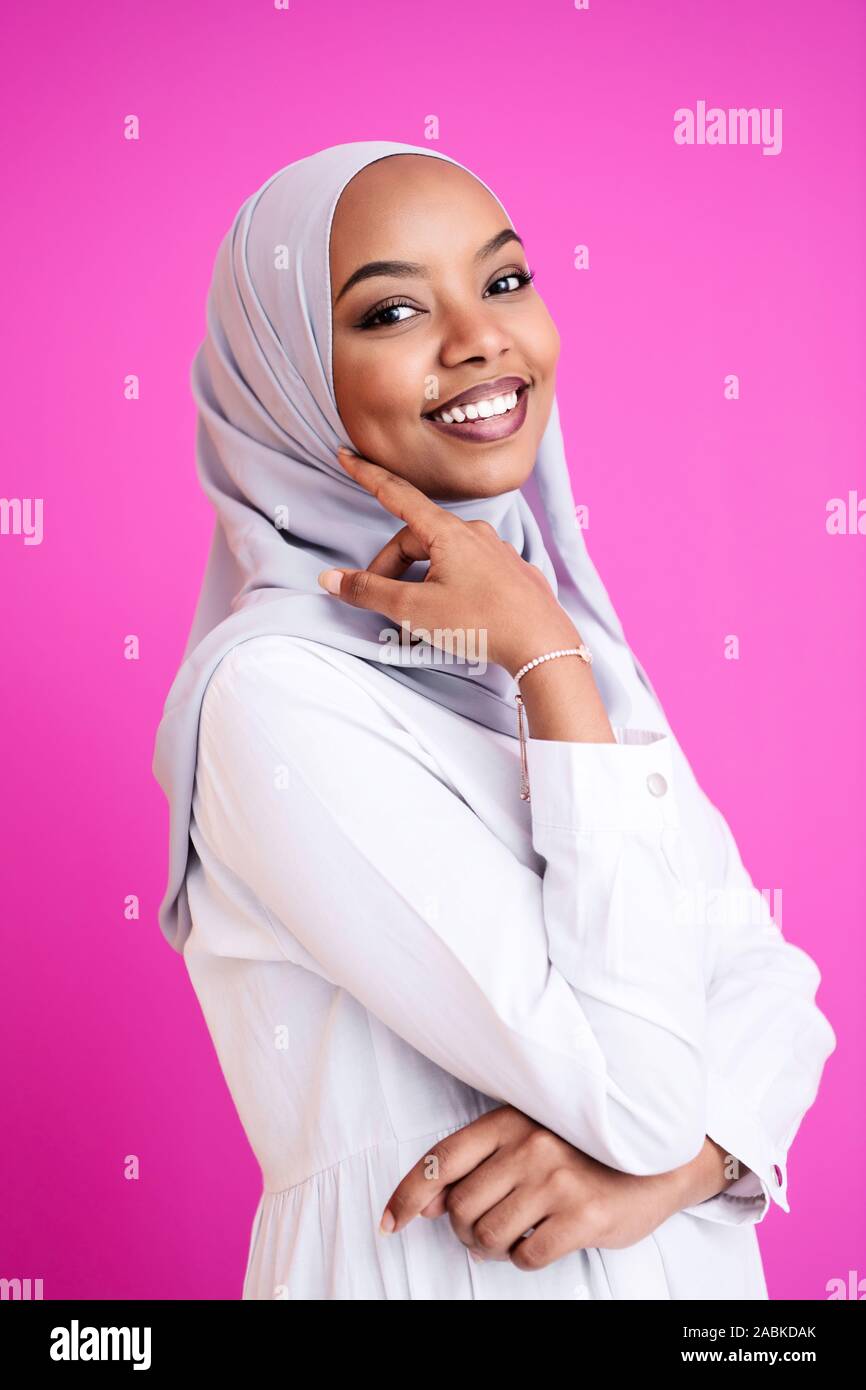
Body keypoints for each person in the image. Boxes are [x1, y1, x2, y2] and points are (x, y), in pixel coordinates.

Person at [152, 140, 836, 1300]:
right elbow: (637, 1092)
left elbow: (771, 987)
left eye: (503, 280)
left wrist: (678, 1171)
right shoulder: (273, 699)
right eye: (393, 310)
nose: (478, 338)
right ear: (287, 378)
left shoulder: (566, 645)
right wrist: (543, 664)